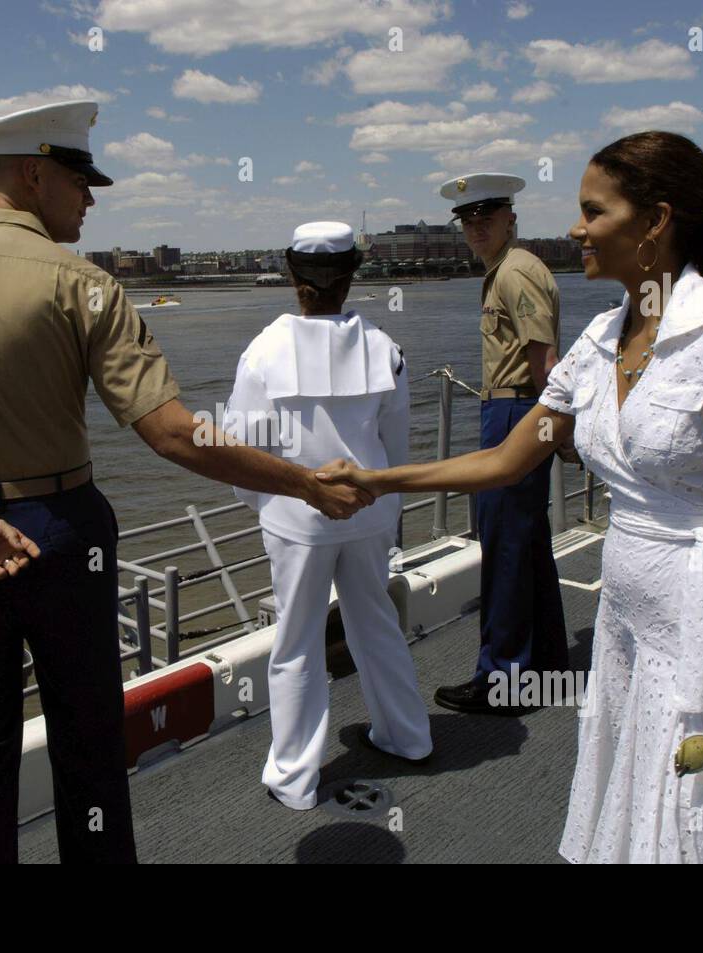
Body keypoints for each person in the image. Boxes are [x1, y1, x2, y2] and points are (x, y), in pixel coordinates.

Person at [0, 100, 370, 863]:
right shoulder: (84, 285)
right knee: (87, 748)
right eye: (79, 180)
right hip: (61, 535)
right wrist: (303, 481)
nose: (89, 197)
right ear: (32, 173)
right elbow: (173, 431)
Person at [320, 131, 703, 863]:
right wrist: (375, 480)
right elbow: (503, 460)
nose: (577, 229)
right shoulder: (595, 344)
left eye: (593, 211)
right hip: (626, 622)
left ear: (654, 222)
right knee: (635, 817)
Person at [224, 222, 432, 810]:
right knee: (377, 626)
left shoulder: (262, 351)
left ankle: (293, 778)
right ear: (350, 277)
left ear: (294, 277)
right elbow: (397, 449)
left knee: (296, 643)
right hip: (369, 513)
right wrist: (383, 508)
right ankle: (408, 736)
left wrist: (270, 509)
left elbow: (245, 454)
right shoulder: (385, 349)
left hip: (296, 521)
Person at [431, 172, 568, 715]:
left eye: (486, 215)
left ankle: (503, 678)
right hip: (514, 406)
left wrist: (553, 427)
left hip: (515, 409)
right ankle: (549, 668)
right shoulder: (507, 270)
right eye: (467, 218)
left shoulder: (516, 272)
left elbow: (546, 361)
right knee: (527, 542)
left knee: (506, 545)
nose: (475, 227)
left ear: (511, 217)